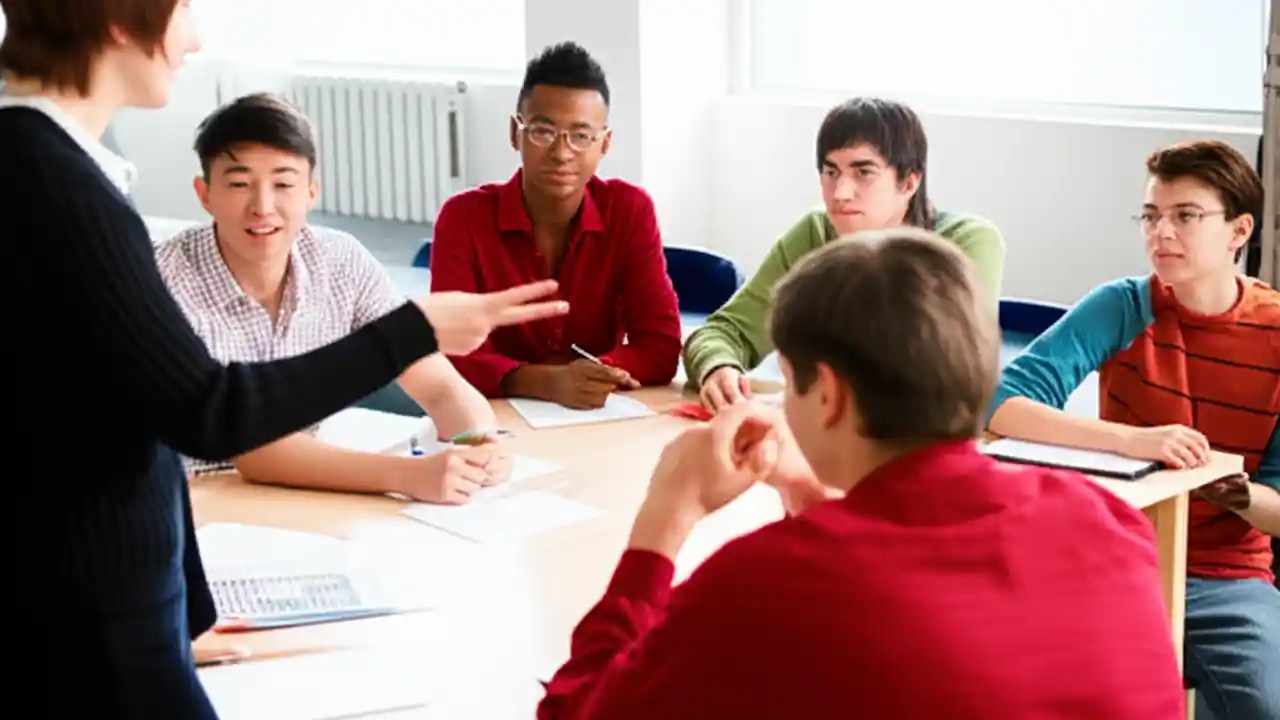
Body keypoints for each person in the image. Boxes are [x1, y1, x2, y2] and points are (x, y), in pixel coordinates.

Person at [0, 1, 567, 716]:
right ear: (122, 18)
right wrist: (412, 328)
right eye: (183, 10)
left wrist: (185, 615)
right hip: (95, 618)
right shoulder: (54, 188)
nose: (196, 38)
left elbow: (114, 417)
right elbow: (211, 412)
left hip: (137, 604)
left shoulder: (51, 174)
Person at [539, 228, 1183, 719]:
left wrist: (666, 515)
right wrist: (810, 492)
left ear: (831, 396)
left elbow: (581, 710)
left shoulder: (764, 580)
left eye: (787, 385)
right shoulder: (1108, 522)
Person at [988, 139, 1280, 719]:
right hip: (1109, 559)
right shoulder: (1122, 305)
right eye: (1151, 216)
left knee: (1263, 703)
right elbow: (1001, 404)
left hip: (1226, 579)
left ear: (1239, 231)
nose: (1160, 232)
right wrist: (1132, 440)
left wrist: (1237, 493)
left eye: (1185, 216)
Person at [157, 92, 508, 505]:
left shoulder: (340, 260)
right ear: (205, 194)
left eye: (284, 184)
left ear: (311, 191)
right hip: (189, 502)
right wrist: (407, 475)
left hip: (304, 494)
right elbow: (251, 444)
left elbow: (438, 385)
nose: (263, 207)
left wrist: (480, 440)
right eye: (239, 184)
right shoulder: (162, 280)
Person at [683, 97, 1006, 413]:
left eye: (863, 172)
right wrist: (718, 368)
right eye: (831, 172)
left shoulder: (966, 243)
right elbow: (723, 332)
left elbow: (949, 371)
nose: (840, 193)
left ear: (909, 182)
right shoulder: (816, 232)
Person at [430, 41, 682, 409]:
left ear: (605, 144)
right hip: (494, 420)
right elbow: (450, 355)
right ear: (516, 133)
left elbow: (661, 347)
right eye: (543, 132)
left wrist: (592, 375)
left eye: (581, 136)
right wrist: (547, 382)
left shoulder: (629, 210)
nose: (563, 153)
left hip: (597, 415)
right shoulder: (463, 218)